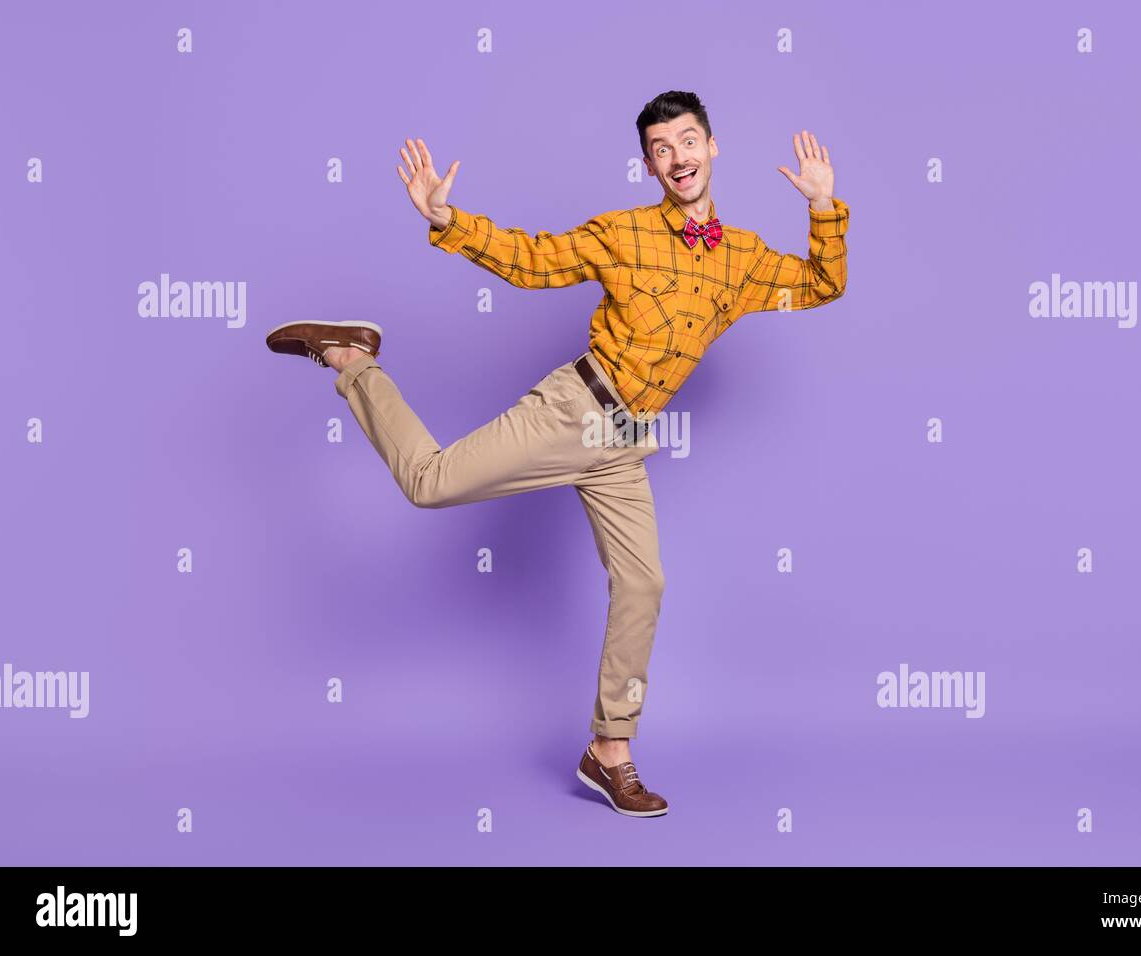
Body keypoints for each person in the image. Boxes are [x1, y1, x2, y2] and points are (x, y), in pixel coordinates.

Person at [265, 90, 849, 817]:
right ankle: (353, 359)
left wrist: (823, 208)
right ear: (648, 164)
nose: (679, 158)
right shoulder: (623, 232)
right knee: (429, 482)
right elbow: (534, 261)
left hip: (625, 443)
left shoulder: (743, 258)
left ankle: (610, 752)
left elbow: (823, 284)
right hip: (576, 409)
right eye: (662, 149)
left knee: (644, 585)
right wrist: (448, 220)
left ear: (713, 147)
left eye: (689, 141)